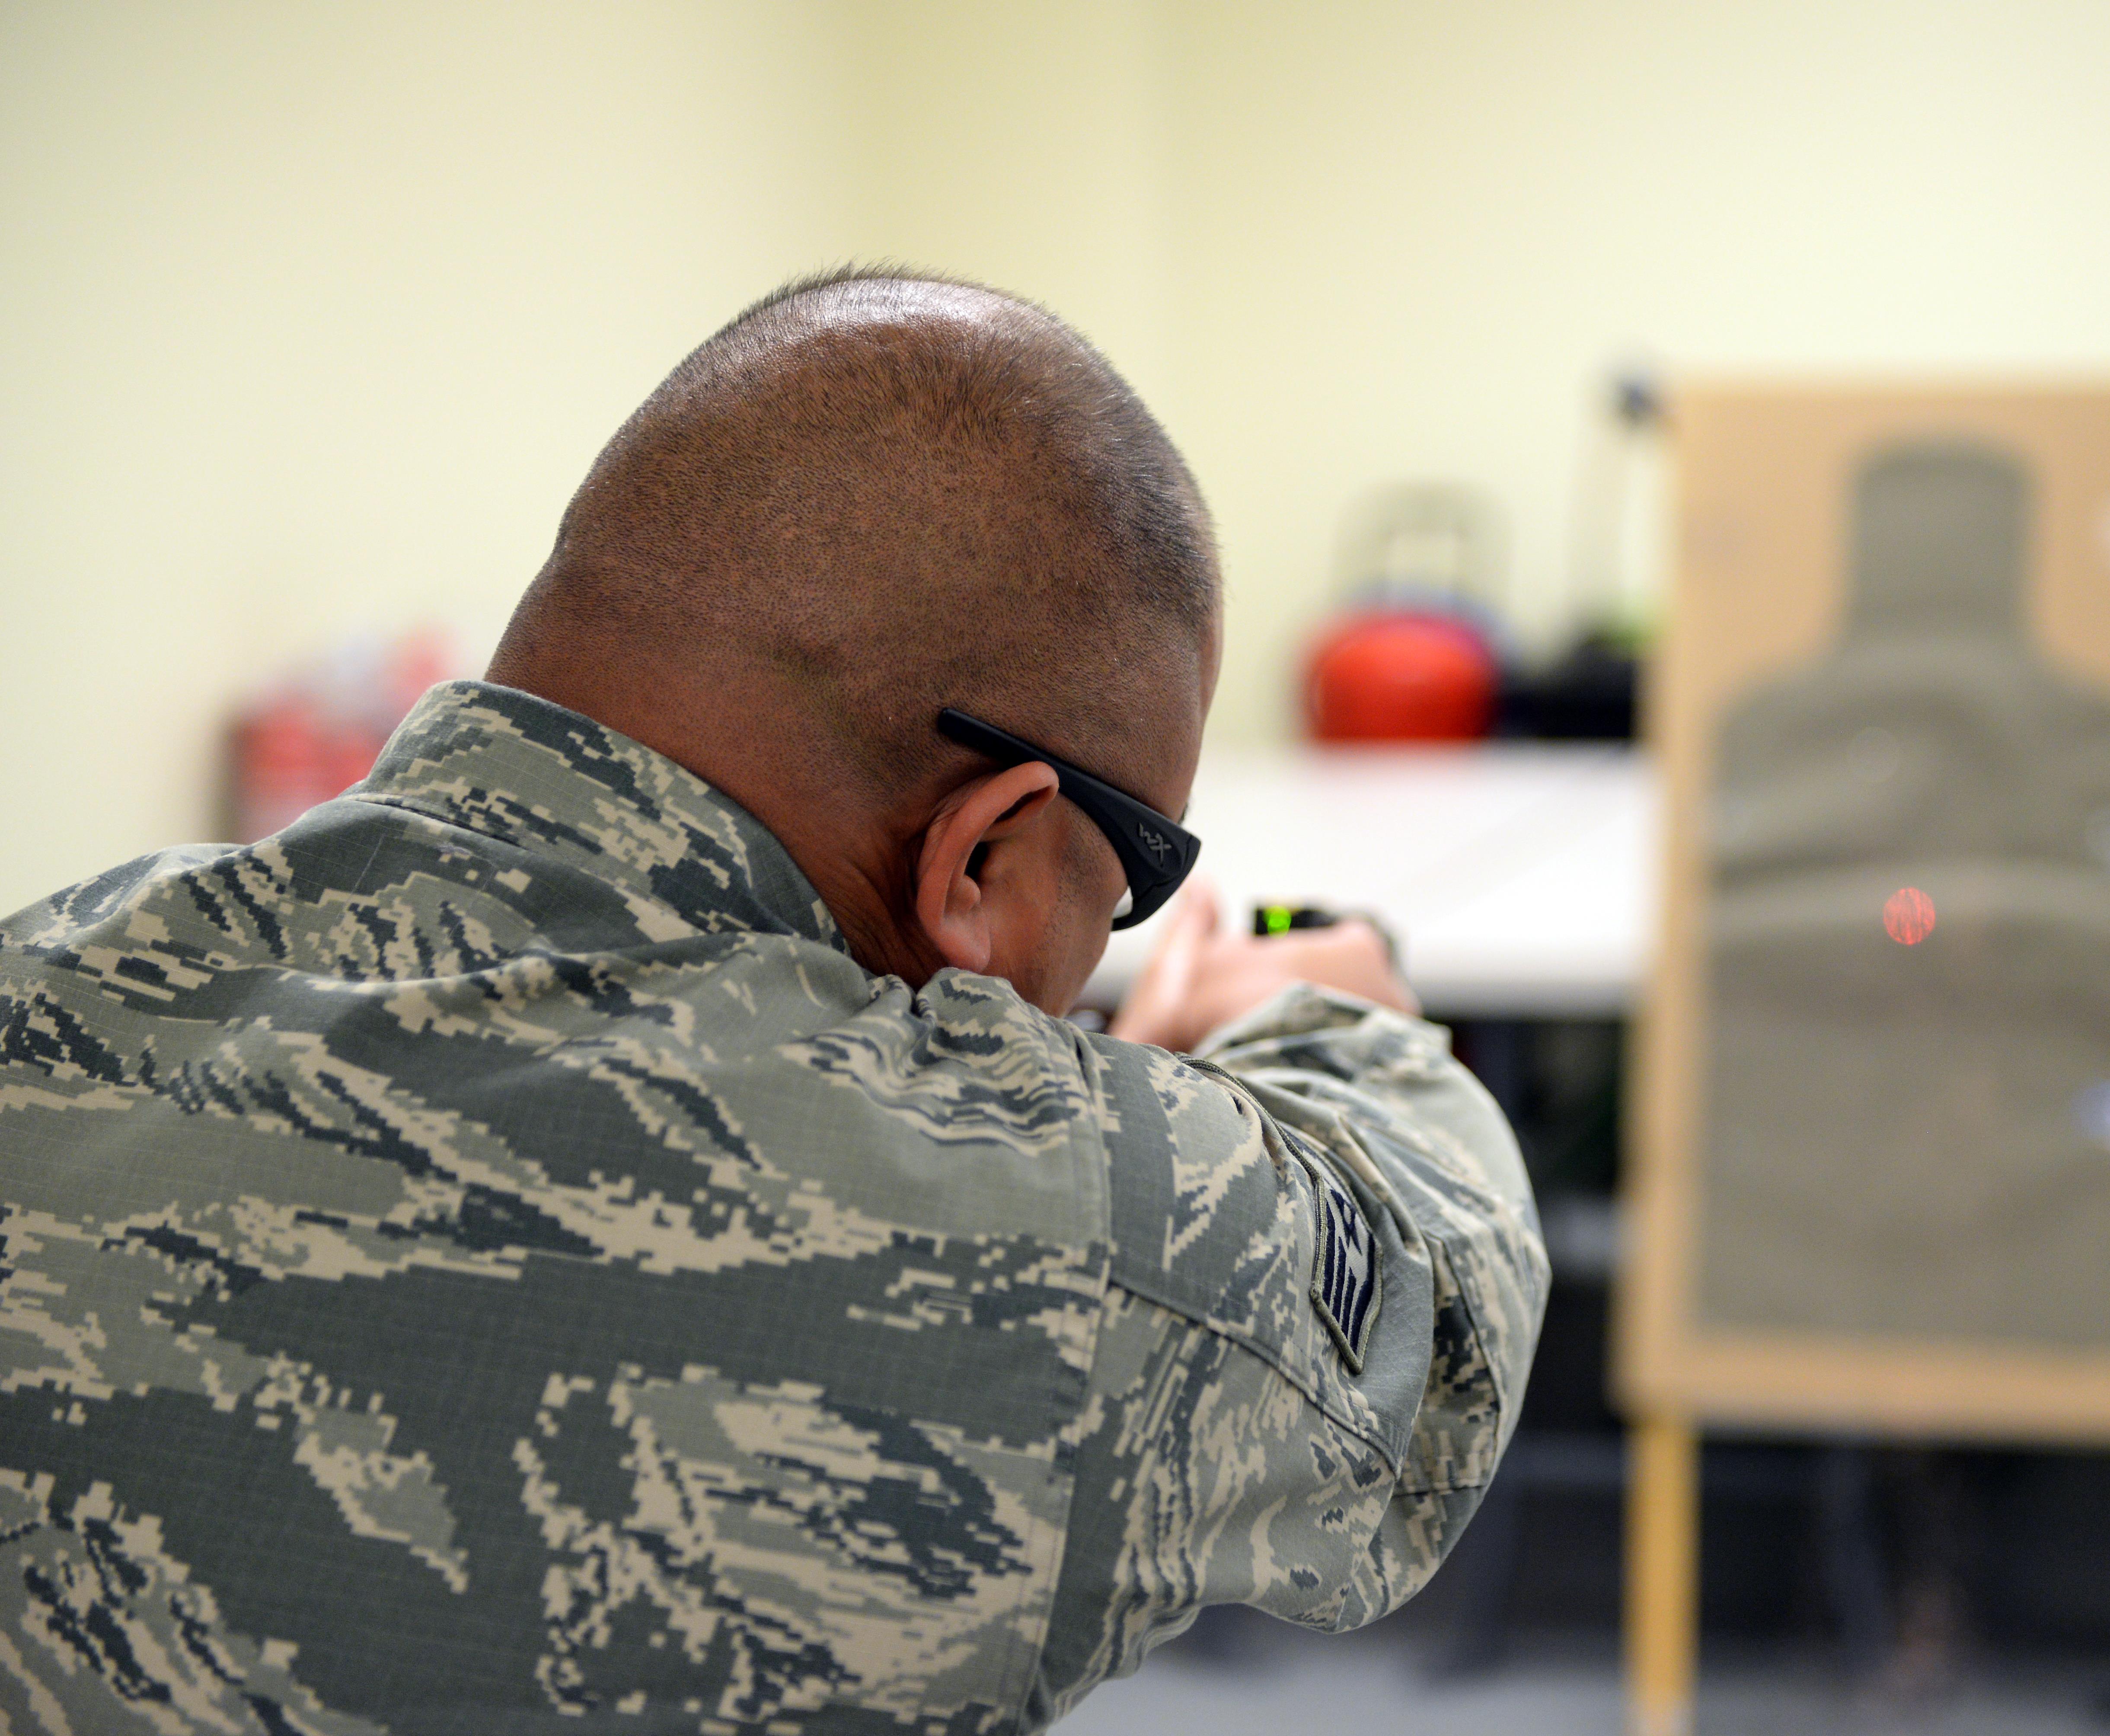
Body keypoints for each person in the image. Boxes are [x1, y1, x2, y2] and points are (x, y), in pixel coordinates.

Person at [0, 268, 1547, 1733]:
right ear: (987, 853)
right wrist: (1325, 1023)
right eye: (1125, 878)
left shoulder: (48, 973)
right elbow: (1429, 1359)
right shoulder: (1044, 1236)